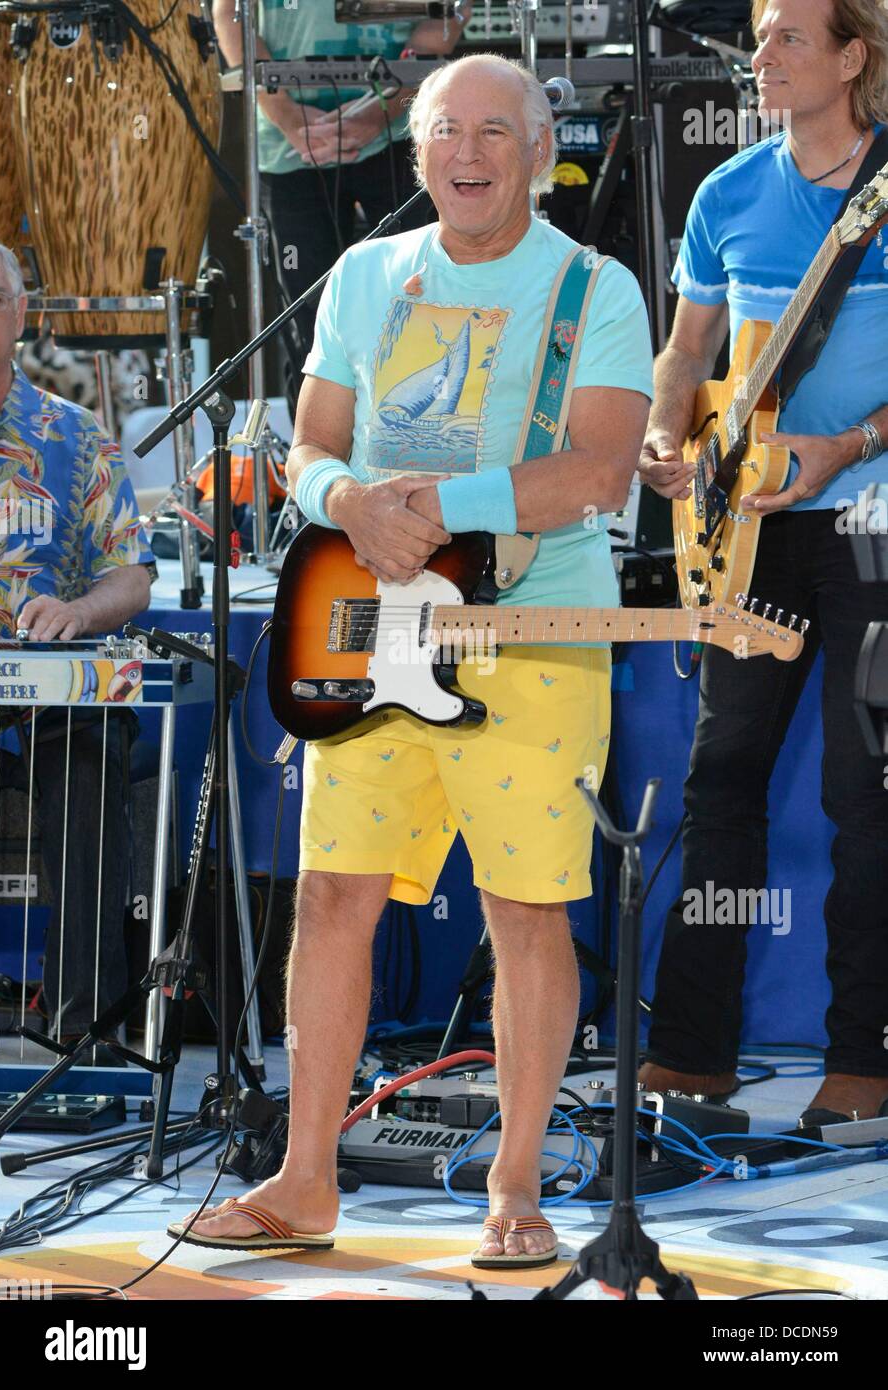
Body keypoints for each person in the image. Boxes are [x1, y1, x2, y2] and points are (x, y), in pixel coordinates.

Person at [173, 53, 653, 1266]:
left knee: (523, 913)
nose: (468, 151)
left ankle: (513, 1189)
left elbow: (597, 471)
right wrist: (353, 502)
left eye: (496, 130)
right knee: (332, 898)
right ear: (419, 151)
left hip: (533, 638)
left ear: (539, 153)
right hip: (376, 627)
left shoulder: (594, 288)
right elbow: (313, 446)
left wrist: (432, 504)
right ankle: (303, 1182)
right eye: (446, 131)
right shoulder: (364, 274)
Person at [638, 0, 888, 1123]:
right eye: (758, 33)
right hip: (745, 529)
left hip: (873, 520)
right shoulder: (725, 192)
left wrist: (844, 445)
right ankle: (693, 1051)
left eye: (789, 35)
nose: (761, 52)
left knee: (860, 793)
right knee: (720, 780)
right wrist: (661, 434)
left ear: (851, 57)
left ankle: (863, 1057)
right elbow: (685, 349)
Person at [0, 241, 154, 1056]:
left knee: (88, 762)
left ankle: (81, 1035)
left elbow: (131, 578)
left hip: (51, 674)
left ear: (22, 315)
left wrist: (78, 612)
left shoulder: (74, 433)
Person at [211, 0, 471, 417]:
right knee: (307, 320)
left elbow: (451, 10)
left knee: (416, 307)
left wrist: (378, 114)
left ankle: (414, 458)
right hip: (289, 143)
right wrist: (287, 116)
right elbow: (228, 11)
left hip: (400, 137)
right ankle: (316, 468)